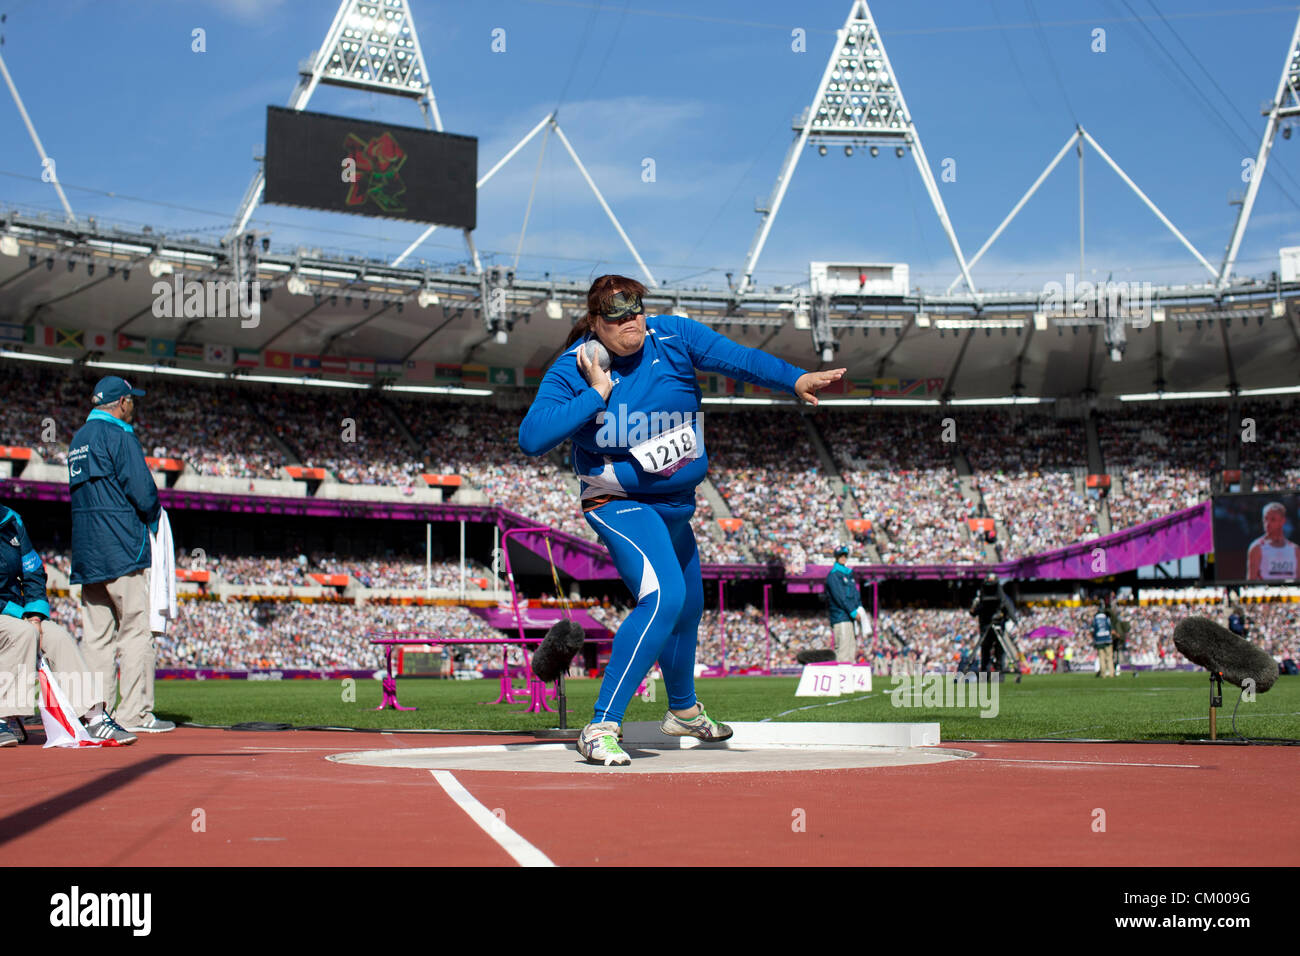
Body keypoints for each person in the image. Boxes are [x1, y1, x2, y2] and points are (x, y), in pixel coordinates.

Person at [519, 275, 843, 765]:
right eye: (618, 316)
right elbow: (532, 437)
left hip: (676, 504)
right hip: (619, 504)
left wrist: (794, 380)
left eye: (637, 311)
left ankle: (684, 711)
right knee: (663, 597)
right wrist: (597, 393)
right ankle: (602, 724)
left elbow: (740, 359)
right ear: (595, 323)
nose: (632, 321)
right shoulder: (575, 368)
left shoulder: (673, 336)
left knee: (689, 606)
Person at [68, 376, 175, 734]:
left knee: (96, 638)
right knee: (135, 632)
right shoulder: (120, 436)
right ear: (122, 403)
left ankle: (96, 715)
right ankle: (135, 715)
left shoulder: (78, 439)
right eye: (132, 400)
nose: (135, 407)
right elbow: (144, 493)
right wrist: (154, 518)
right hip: (123, 549)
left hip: (87, 552)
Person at [1, 506, 136, 746]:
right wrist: (19, 615)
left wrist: (34, 615)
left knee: (57, 637)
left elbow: (33, 573)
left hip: (16, 614)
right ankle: (5, 715)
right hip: (10, 615)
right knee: (22, 632)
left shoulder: (12, 521)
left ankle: (94, 717)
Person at [826, 545, 867, 662]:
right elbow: (840, 597)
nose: (843, 558)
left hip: (849, 618)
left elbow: (854, 594)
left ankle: (848, 679)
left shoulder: (848, 574)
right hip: (841, 617)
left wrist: (859, 608)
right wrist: (853, 612)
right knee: (843, 652)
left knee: (850, 652)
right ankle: (840, 679)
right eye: (840, 556)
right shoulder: (834, 575)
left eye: (844, 555)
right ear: (836, 557)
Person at [970, 573, 1016, 674]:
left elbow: (1009, 611)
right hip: (985, 627)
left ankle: (998, 673)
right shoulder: (981, 599)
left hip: (998, 626)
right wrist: (975, 605)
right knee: (985, 651)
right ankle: (984, 674)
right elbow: (973, 612)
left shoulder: (1002, 598)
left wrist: (1005, 616)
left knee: (999, 651)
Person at [1246, 502, 1300, 581]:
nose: (1267, 524)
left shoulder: (1295, 550)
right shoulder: (1257, 548)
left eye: (1273, 519)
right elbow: (1250, 582)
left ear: (1282, 521)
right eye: (1265, 519)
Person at [1085, 598, 1114, 678]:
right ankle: (1111, 673)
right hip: (1107, 639)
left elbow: (1092, 630)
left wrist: (1094, 639)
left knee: (1101, 657)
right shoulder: (1106, 618)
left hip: (1099, 640)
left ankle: (1103, 674)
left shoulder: (1095, 619)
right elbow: (1110, 628)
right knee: (1109, 657)